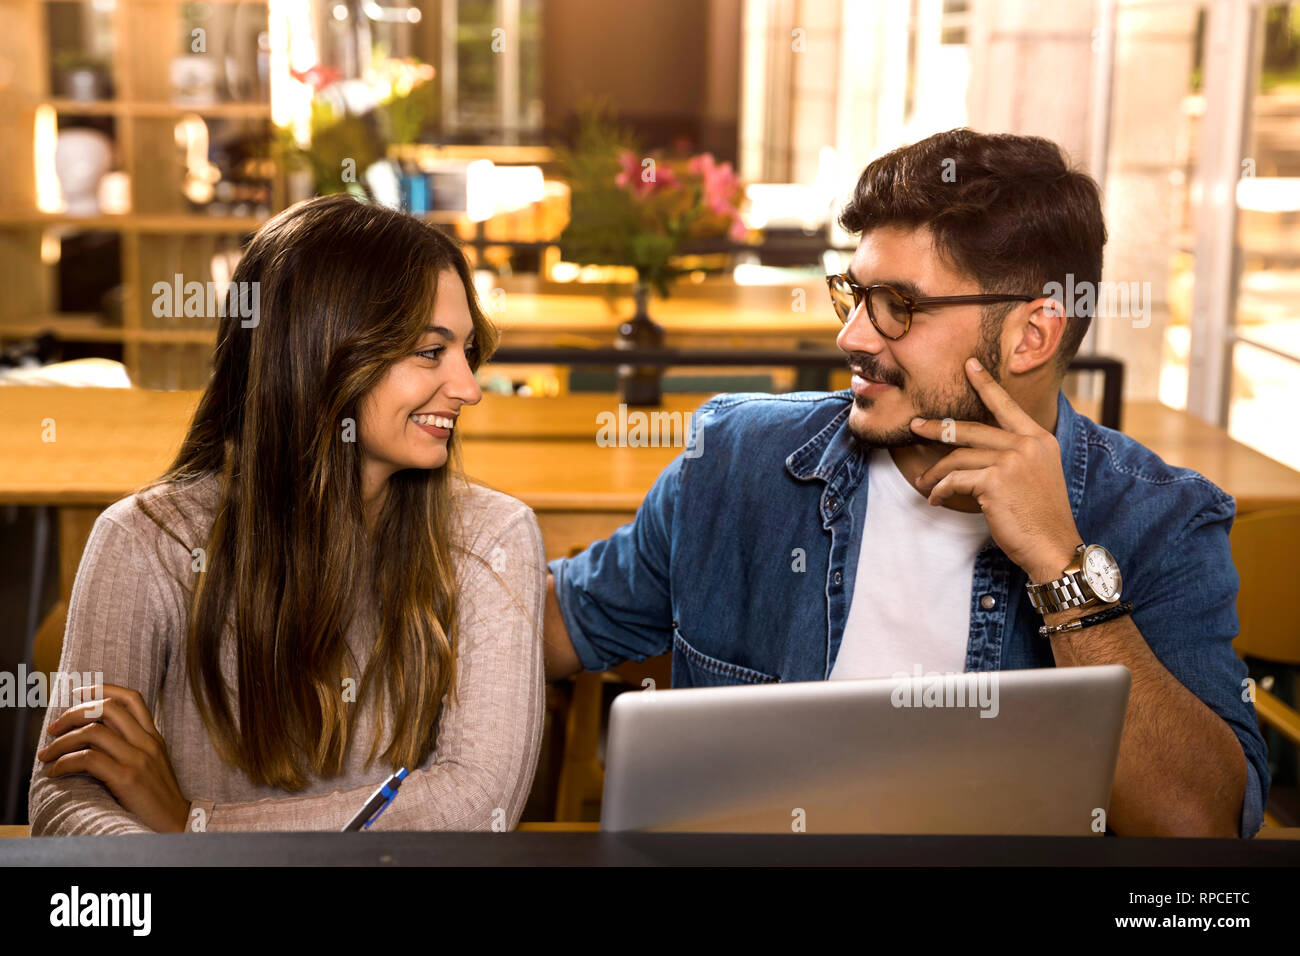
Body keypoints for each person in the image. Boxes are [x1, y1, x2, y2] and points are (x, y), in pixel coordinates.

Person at [544, 128, 1269, 838]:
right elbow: (555, 626)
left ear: (1032, 336)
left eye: (899, 305)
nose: (854, 336)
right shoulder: (734, 461)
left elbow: (1197, 824)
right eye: (853, 295)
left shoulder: (1164, 518)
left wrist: (1058, 562)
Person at [30, 194, 546, 834]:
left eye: (468, 351)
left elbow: (475, 804)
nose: (468, 386)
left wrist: (194, 831)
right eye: (429, 351)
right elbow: (65, 800)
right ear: (319, 353)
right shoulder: (144, 542)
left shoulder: (493, 539)